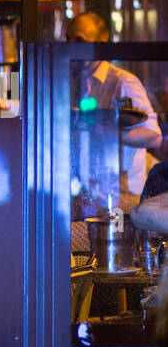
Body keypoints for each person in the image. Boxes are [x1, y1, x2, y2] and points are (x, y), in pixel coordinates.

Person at [66, 11, 162, 212]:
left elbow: (154, 137)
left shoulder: (122, 82)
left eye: (79, 40)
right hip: (88, 189)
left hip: (122, 191)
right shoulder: (71, 81)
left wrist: (110, 134)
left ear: (100, 44)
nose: (71, 46)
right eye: (68, 39)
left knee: (118, 241)